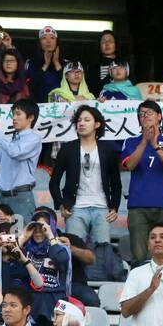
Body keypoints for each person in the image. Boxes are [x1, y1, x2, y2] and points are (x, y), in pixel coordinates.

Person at [50, 106, 122, 280]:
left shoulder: (108, 149)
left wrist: (114, 206)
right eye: (79, 120)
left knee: (102, 251)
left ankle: (101, 288)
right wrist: (61, 203)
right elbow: (54, 181)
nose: (81, 123)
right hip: (76, 208)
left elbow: (116, 182)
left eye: (87, 120)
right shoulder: (68, 149)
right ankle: (76, 284)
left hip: (101, 207)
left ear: (97, 124)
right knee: (74, 248)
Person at [121, 101, 163, 265]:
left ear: (159, 116)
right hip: (138, 205)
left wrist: (155, 146)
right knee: (139, 255)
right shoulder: (130, 141)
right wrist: (144, 142)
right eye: (141, 114)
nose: (145, 116)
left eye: (149, 112)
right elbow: (130, 165)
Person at [0, 98, 43, 222]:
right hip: (2, 196)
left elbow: (15, 152)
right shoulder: (9, 142)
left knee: (21, 236)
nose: (14, 118)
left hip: (21, 197)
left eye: (18, 114)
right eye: (13, 114)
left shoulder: (34, 139)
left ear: (30, 118)